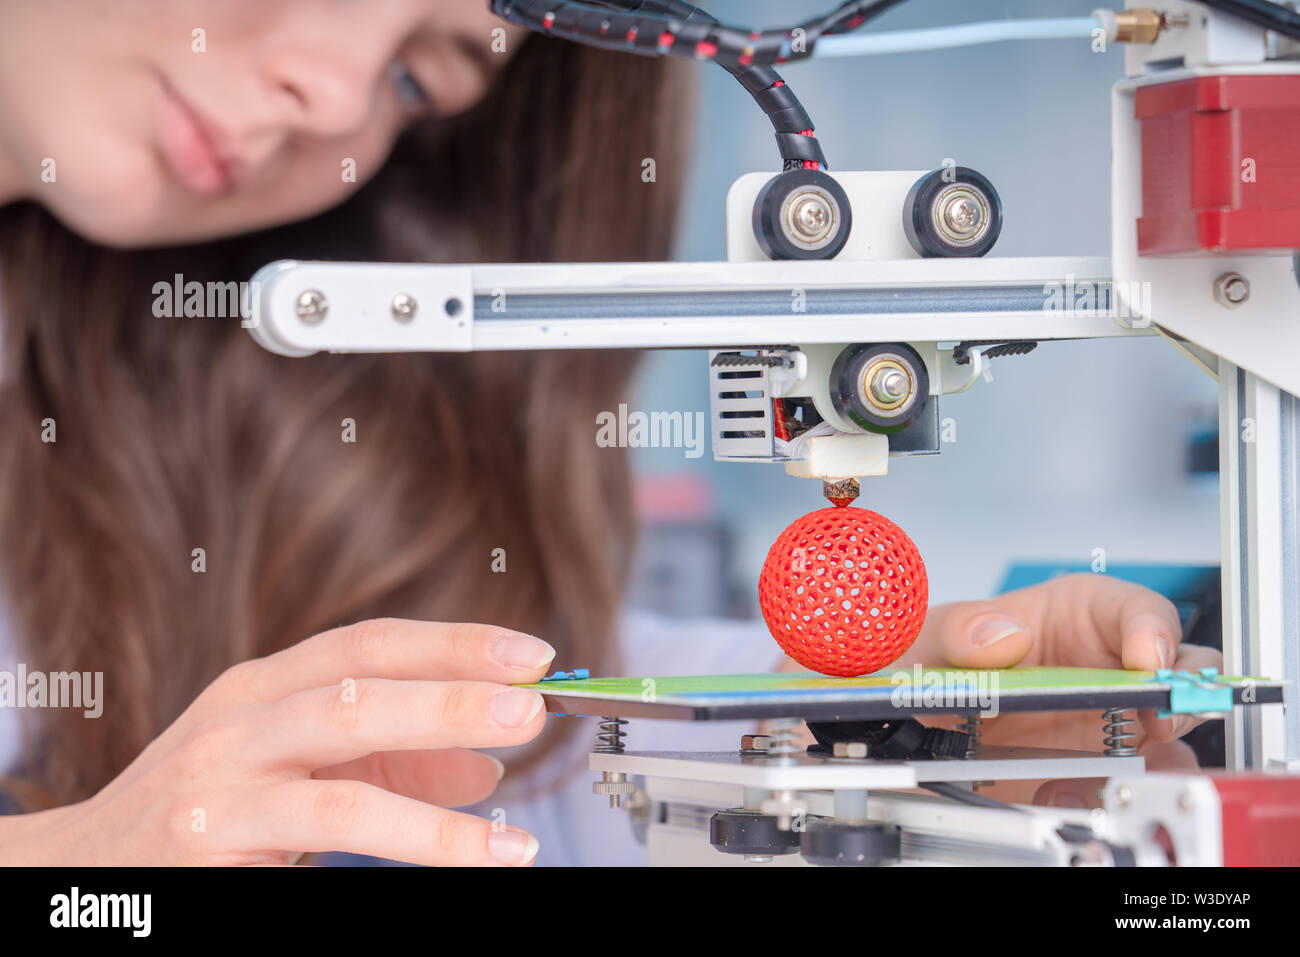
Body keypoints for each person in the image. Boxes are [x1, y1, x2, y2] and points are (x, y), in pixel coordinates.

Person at [0, 0, 1217, 866]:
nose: (327, 88)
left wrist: (869, 732)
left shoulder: (180, 397)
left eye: (419, 76)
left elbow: (531, 748)